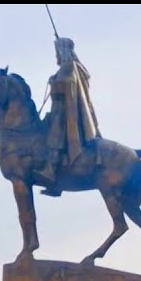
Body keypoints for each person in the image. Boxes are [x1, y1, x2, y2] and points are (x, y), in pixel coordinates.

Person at [39, 36, 101, 196]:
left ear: (63, 50)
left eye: (58, 50)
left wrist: (54, 82)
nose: (56, 55)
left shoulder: (69, 66)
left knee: (54, 134)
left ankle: (51, 169)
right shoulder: (73, 66)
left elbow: (68, 84)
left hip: (67, 110)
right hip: (62, 107)